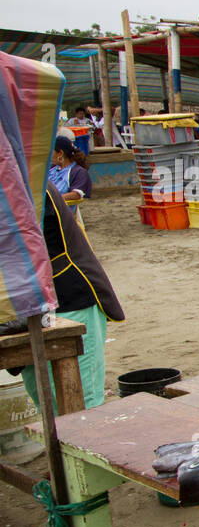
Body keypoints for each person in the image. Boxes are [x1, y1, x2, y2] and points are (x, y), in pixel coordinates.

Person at [19, 183, 124, 410]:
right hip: (28, 307)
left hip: (70, 301)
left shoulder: (28, 183)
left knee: (81, 405)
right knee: (46, 403)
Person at [49, 136, 92, 203]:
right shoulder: (51, 169)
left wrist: (51, 201)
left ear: (60, 153)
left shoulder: (78, 172)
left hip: (61, 210)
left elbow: (76, 194)